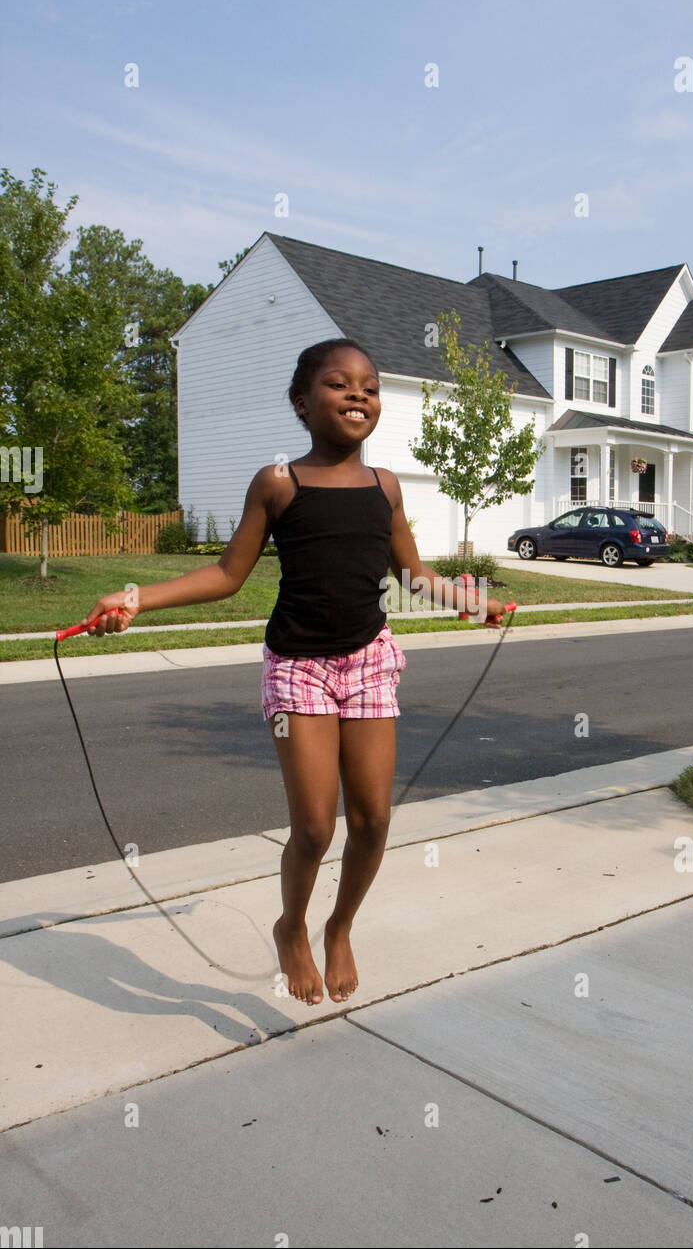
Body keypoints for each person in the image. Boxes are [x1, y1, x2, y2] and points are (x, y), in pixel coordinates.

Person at [82, 338, 509, 1007]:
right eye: (340, 384)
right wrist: (137, 598)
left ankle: (339, 927)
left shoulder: (384, 486)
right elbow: (226, 575)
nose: (359, 394)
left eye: (369, 385)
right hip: (298, 668)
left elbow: (412, 575)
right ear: (302, 404)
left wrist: (473, 601)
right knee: (315, 826)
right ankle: (292, 927)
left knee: (372, 820)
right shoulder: (279, 482)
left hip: (369, 660)